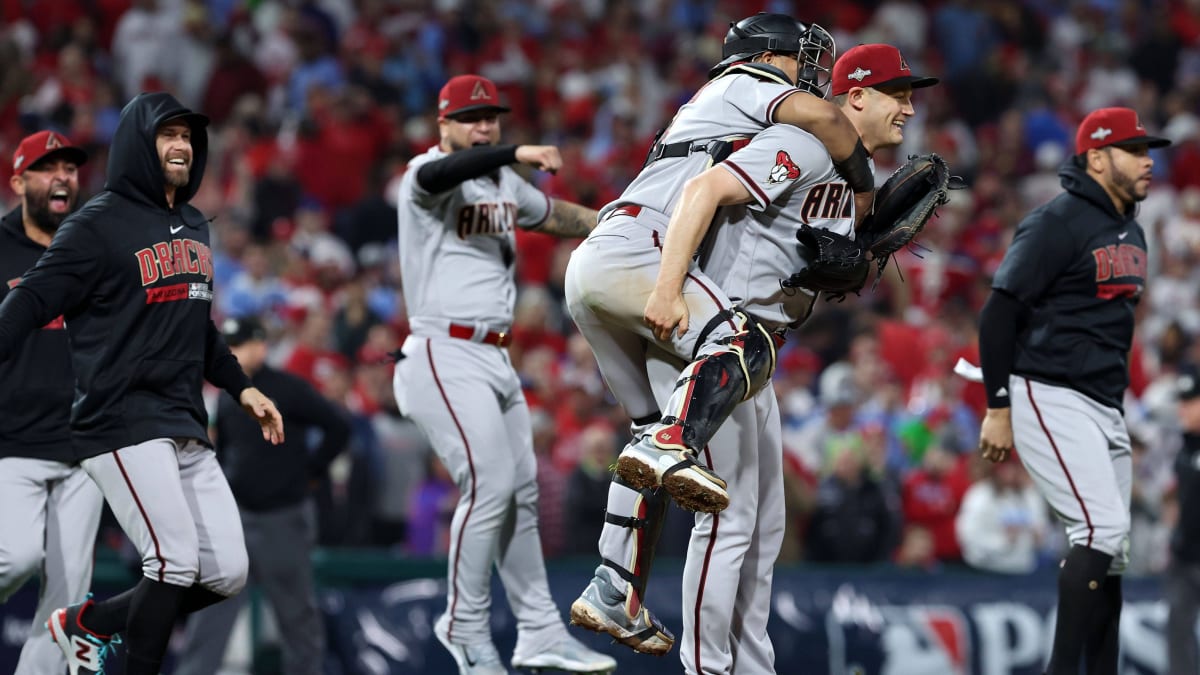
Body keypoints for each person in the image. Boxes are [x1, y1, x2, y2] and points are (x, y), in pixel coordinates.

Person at [567, 41, 935, 672]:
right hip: (706, 337)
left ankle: (744, 661)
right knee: (727, 518)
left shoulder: (850, 188)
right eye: (896, 93)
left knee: (763, 530)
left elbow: (814, 273)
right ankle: (710, 666)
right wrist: (666, 289)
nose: (907, 107)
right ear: (856, 96)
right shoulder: (811, 143)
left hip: (750, 353)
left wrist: (862, 261)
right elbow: (707, 189)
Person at [0, 92, 285, 675]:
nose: (180, 144)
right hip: (120, 419)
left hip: (182, 419)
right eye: (166, 134)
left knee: (228, 572)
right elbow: (27, 302)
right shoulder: (95, 225)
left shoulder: (195, 223)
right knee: (173, 562)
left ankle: (89, 626)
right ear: (139, 143)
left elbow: (197, 322)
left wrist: (241, 386)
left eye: (187, 134)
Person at [390, 73, 616, 675]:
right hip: (442, 350)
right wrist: (514, 152)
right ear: (444, 125)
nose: (484, 126)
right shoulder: (424, 175)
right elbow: (444, 175)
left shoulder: (501, 183)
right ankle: (463, 624)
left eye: (492, 117)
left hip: (493, 356)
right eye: (471, 118)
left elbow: (555, 215)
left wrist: (616, 224)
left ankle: (540, 630)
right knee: (488, 485)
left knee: (520, 494)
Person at [977, 106, 1170, 674]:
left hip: (1106, 402)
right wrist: (998, 405)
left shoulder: (1131, 227)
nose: (1146, 160)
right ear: (1096, 156)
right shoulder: (1056, 221)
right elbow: (998, 313)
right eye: (1134, 150)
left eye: (1147, 149)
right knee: (1099, 529)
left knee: (1112, 555)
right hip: (1049, 389)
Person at [176, 315, 351, 675]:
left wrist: (312, 471)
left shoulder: (288, 388)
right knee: (210, 612)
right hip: (236, 517)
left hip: (282, 519)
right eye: (229, 348)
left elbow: (339, 426)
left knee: (297, 619)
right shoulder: (228, 396)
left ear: (261, 346)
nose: (234, 354)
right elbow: (224, 453)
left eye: (240, 345)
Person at [0, 130, 103, 675]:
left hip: (85, 447)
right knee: (15, 558)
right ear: (18, 181)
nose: (62, 176)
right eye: (46, 167)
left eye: (69, 166)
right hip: (11, 443)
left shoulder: (93, 246)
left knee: (66, 606)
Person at [1168, 362, 1200, 675]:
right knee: (1178, 631)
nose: (1183, 410)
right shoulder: (1185, 446)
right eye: (1181, 402)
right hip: (1184, 556)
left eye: (1190, 402)